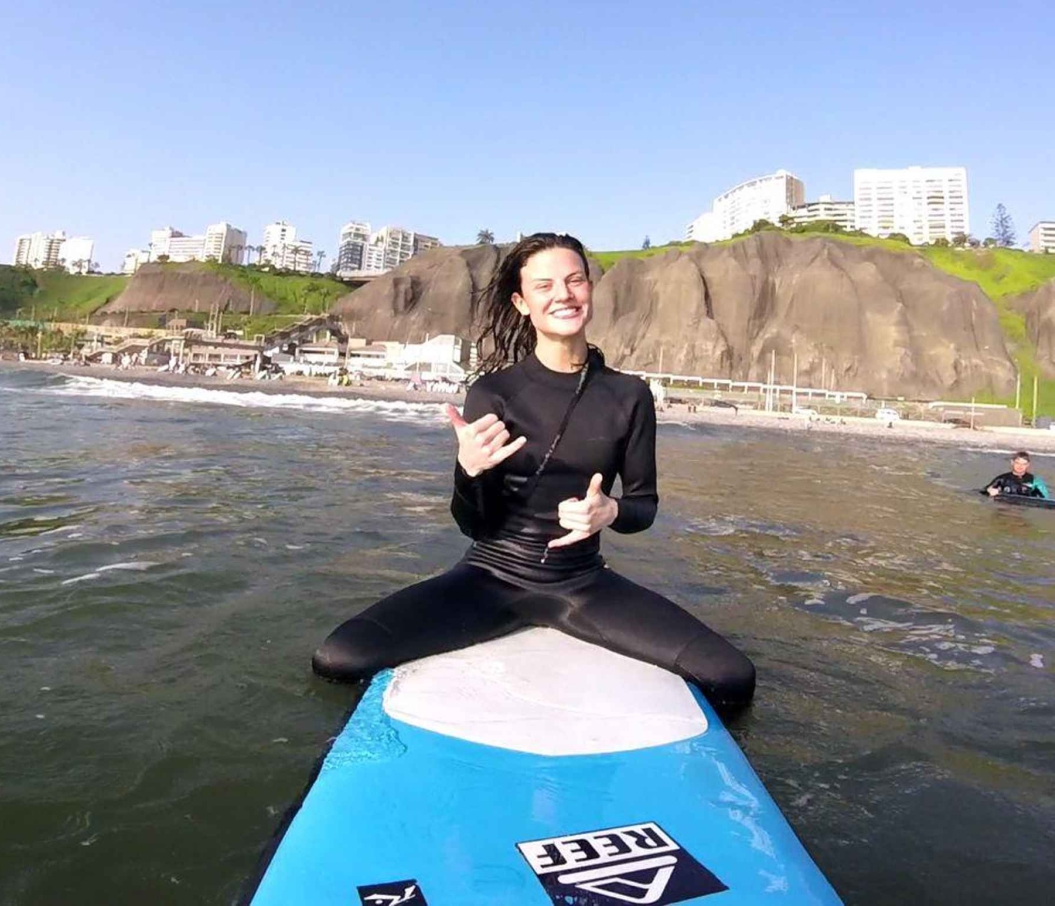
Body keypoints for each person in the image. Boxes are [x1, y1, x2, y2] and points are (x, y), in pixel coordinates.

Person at [312, 233, 756, 713]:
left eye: (574, 280)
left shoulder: (629, 396)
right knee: (338, 658)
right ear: (522, 303)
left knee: (731, 676)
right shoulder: (495, 392)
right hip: (489, 578)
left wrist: (610, 511)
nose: (562, 294)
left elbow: (643, 507)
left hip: (582, 585)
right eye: (544, 286)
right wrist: (469, 472)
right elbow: (474, 524)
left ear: (589, 288)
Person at [985, 451, 1049, 498]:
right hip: (1005, 509)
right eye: (1017, 463)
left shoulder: (1035, 481)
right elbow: (983, 491)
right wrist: (989, 491)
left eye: (1024, 464)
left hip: (1025, 510)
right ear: (1012, 462)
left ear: (1028, 465)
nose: (1020, 466)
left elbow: (1046, 499)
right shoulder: (1002, 479)